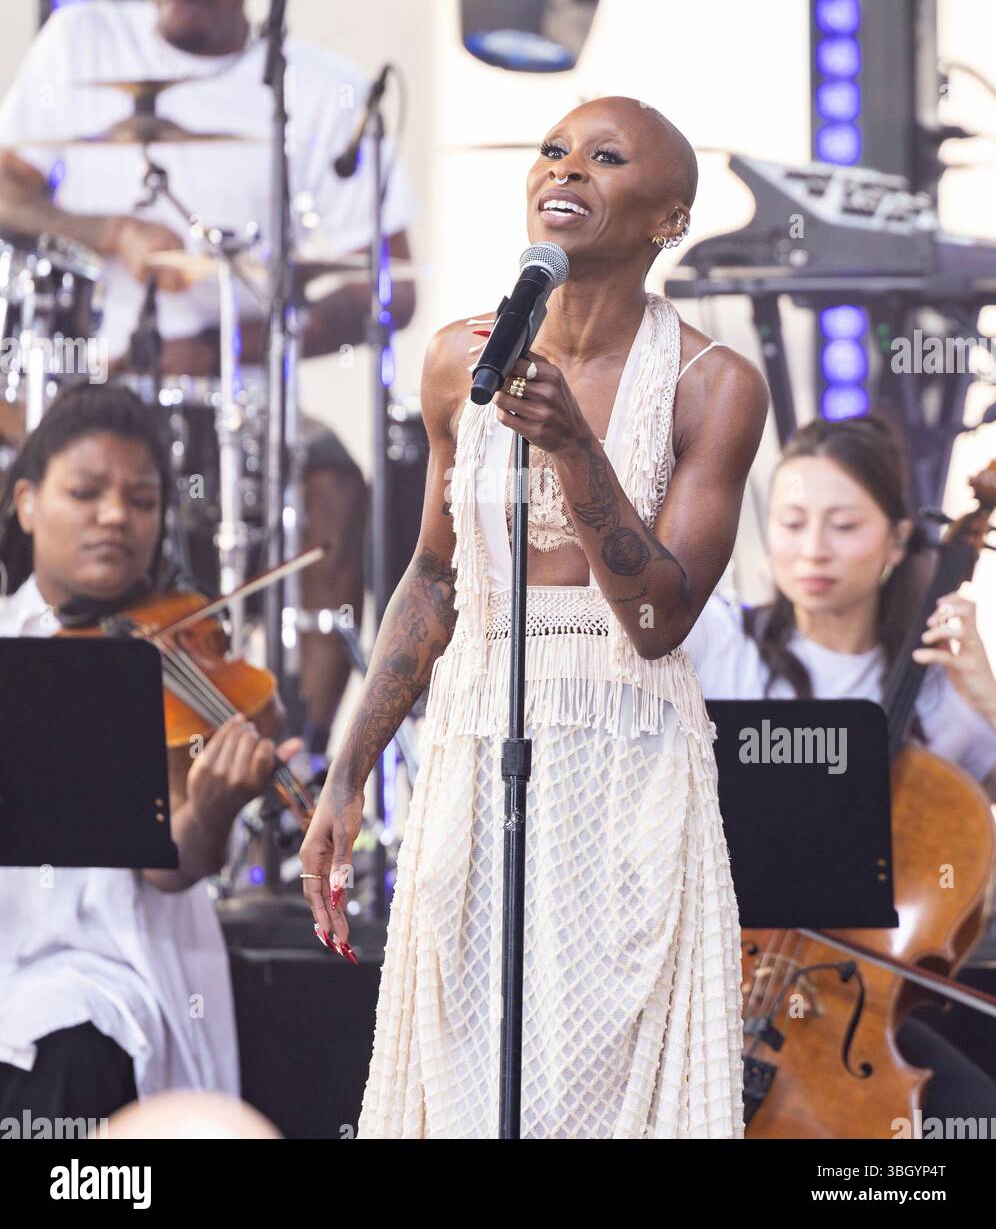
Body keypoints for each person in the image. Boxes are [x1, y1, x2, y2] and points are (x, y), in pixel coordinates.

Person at [300, 96, 770, 1138]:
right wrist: (346, 775)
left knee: (606, 1098)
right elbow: (432, 578)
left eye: (606, 157)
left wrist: (573, 449)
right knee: (469, 1086)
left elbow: (658, 619)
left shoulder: (716, 385)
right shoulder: (455, 358)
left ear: (669, 219)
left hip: (625, 761)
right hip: (474, 745)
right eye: (553, 149)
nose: (567, 167)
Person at [0, 0, 419, 749]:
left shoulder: (318, 91)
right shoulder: (84, 40)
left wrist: (246, 341)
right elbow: (5, 187)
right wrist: (105, 232)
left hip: (241, 399)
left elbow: (395, 281)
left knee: (339, 494)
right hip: (83, 390)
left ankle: (291, 757)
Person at [681, 411, 996, 1127]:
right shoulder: (722, 644)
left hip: (843, 1020)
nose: (813, 550)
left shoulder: (944, 696)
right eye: (792, 523)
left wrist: (989, 696)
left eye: (844, 525)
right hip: (703, 989)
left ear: (895, 543)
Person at [0, 383, 300, 1122]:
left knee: (60, 1041)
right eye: (86, 491)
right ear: (28, 502)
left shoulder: (175, 660)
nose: (116, 517)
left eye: (141, 500)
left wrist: (213, 806)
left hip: (107, 972)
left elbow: (175, 867)